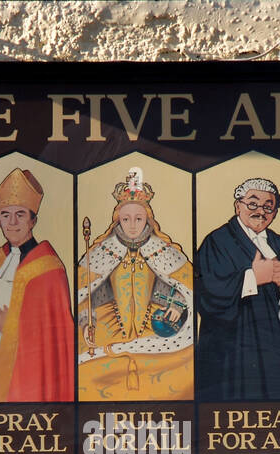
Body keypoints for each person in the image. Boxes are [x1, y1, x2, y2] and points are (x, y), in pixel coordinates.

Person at [77, 170, 193, 400]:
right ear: (117, 220)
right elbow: (88, 297)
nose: (132, 225)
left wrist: (178, 307)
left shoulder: (163, 252)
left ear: (148, 220)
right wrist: (85, 322)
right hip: (109, 332)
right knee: (87, 376)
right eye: (126, 219)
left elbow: (185, 288)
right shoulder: (101, 254)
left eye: (138, 219)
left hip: (156, 331)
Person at [196, 177, 280, 401]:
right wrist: (252, 278)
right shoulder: (217, 241)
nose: (260, 210)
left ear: (275, 211)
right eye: (253, 203)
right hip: (235, 352)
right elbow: (207, 294)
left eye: (268, 206)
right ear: (237, 205)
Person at [0, 168, 74, 402]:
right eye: (5, 215)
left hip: (25, 377)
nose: (12, 223)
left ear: (33, 219)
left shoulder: (49, 268)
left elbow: (54, 339)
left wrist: (13, 326)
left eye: (21, 214)